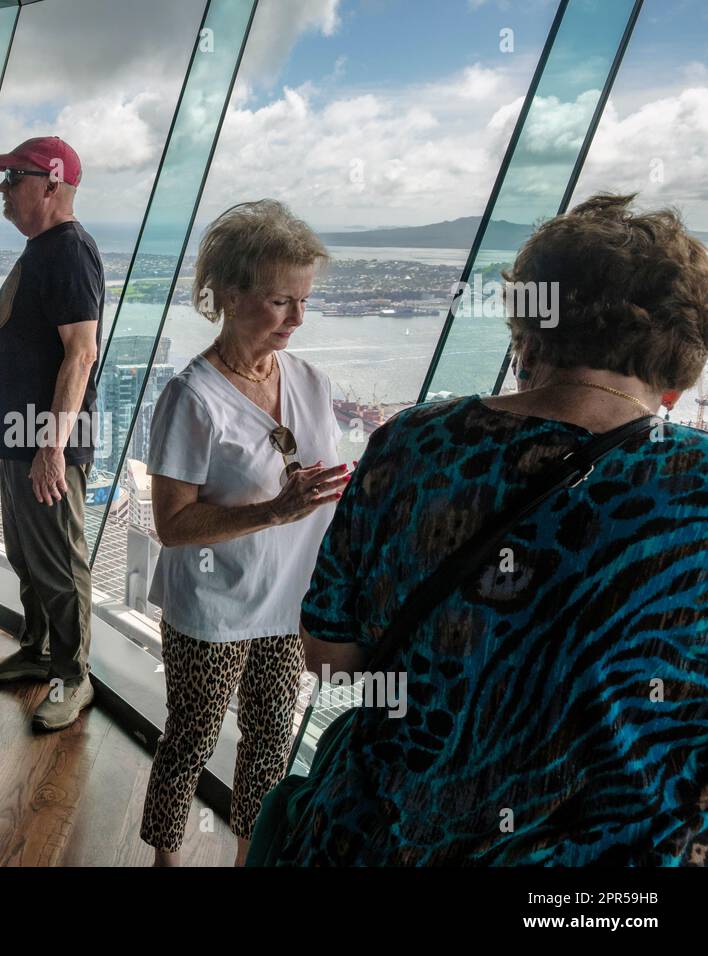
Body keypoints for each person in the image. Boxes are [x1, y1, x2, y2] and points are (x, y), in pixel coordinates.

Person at [262, 193, 708, 865]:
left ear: (529, 323)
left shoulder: (414, 444)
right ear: (679, 347)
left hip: (382, 834)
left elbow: (331, 657)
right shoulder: (695, 487)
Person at [137, 200, 349, 866]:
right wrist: (272, 512)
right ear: (229, 294)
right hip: (213, 608)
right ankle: (165, 859)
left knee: (269, 743)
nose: (298, 318)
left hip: (287, 606)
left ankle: (249, 859)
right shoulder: (191, 397)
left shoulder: (310, 382)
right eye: (281, 301)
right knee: (191, 741)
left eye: (304, 300)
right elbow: (172, 525)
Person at [0, 136, 103, 732]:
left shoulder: (69, 251)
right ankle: (37, 650)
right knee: (26, 556)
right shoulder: (44, 249)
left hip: (45, 446)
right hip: (21, 440)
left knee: (59, 564)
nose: (3, 188)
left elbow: (80, 355)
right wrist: (11, 441)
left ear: (52, 183)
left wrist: (51, 448)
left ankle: (74, 677)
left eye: (14, 177)